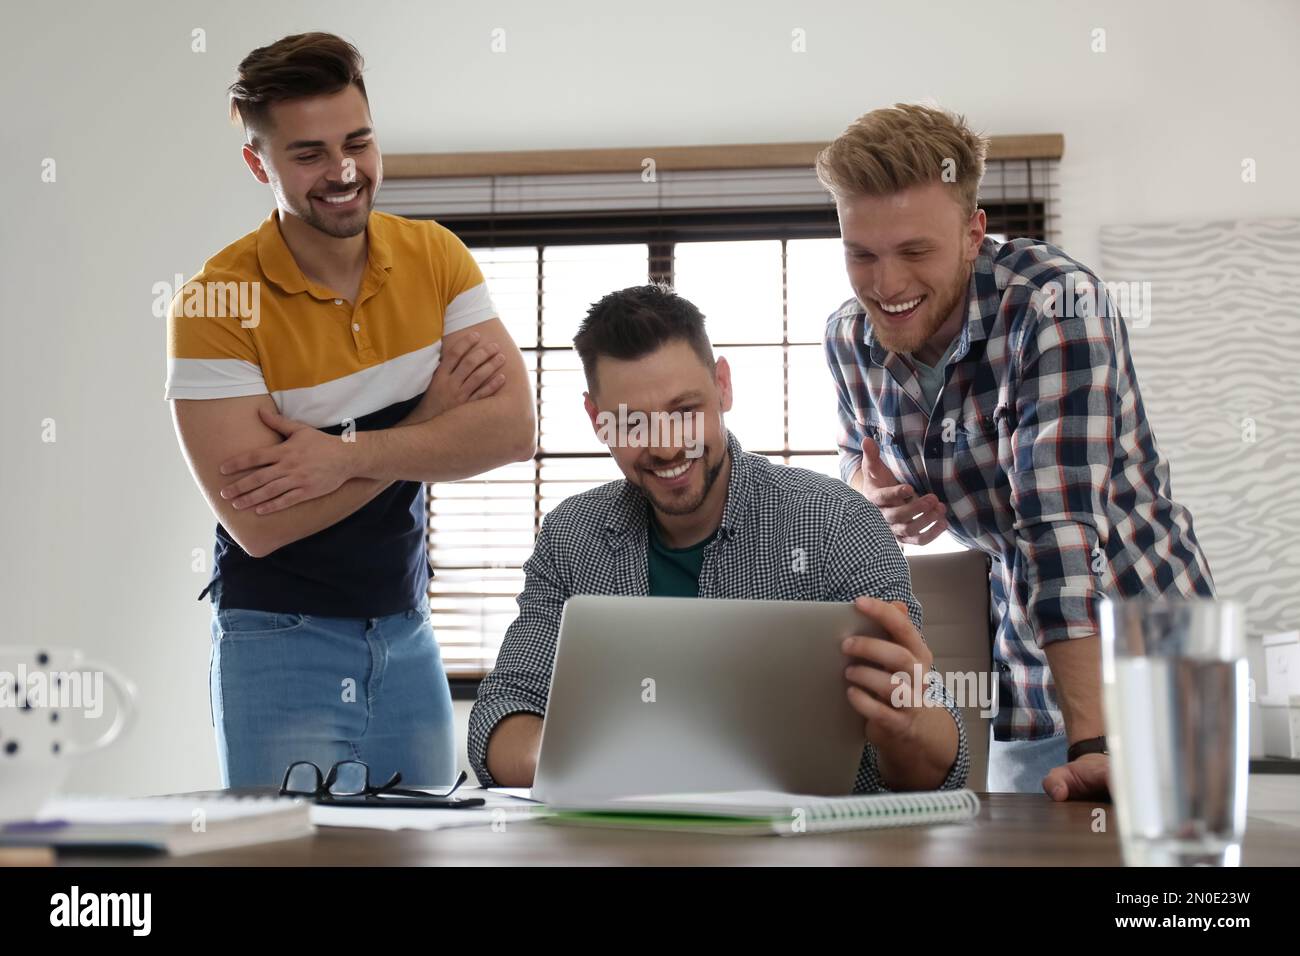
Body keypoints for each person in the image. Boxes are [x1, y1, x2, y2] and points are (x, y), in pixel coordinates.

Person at [165, 33, 535, 787]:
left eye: (358, 142)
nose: (342, 172)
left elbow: (511, 430)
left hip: (407, 632)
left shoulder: (436, 257)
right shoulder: (215, 303)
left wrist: (343, 455)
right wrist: (432, 419)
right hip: (277, 636)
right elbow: (260, 524)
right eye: (307, 154)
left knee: (422, 849)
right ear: (257, 163)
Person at [816, 103, 1214, 799]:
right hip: (1028, 657)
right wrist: (866, 489)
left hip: (1153, 640)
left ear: (974, 235)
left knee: (1167, 881)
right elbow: (854, 449)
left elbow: (1055, 530)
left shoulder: (1056, 305)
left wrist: (1092, 741)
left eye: (915, 252)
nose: (886, 285)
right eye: (862, 254)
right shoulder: (850, 337)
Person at [469, 284, 969, 793]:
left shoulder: (839, 523)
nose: (665, 447)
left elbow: (934, 761)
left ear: (722, 386)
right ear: (598, 421)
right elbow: (501, 712)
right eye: (632, 423)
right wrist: (565, 757)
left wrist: (909, 724)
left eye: (684, 410)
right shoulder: (571, 538)